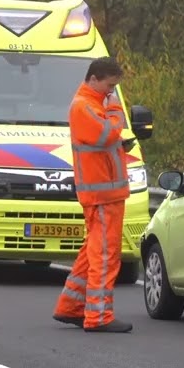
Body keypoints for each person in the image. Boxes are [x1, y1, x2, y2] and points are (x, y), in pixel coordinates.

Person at [53, 57, 136, 333]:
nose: (111, 92)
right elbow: (106, 134)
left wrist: (118, 141)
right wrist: (115, 111)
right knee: (105, 256)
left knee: (93, 254)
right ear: (93, 79)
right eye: (109, 86)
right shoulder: (84, 106)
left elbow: (105, 140)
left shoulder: (94, 104)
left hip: (106, 193)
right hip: (102, 195)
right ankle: (99, 316)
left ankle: (71, 306)